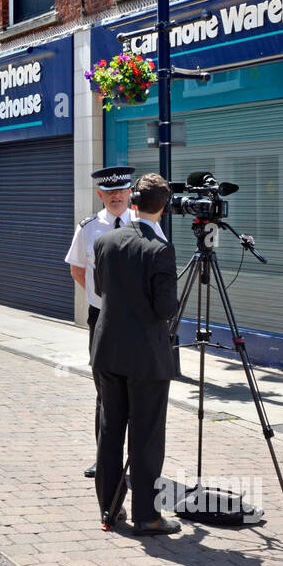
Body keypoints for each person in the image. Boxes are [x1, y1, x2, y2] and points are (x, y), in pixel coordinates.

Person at [91, 173, 180, 535]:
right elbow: (166, 309)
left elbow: (100, 289)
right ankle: (147, 514)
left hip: (108, 351)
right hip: (146, 358)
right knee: (145, 436)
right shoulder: (160, 249)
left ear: (134, 202)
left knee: (110, 432)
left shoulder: (106, 241)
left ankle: (109, 510)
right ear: (164, 207)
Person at [65, 165, 135, 479]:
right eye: (110, 192)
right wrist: (101, 301)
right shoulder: (89, 228)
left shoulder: (145, 225)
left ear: (130, 192)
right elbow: (78, 270)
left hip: (137, 322)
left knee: (137, 390)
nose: (116, 196)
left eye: (121, 190)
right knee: (104, 391)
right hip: (103, 319)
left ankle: (138, 459)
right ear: (100, 194)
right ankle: (105, 459)